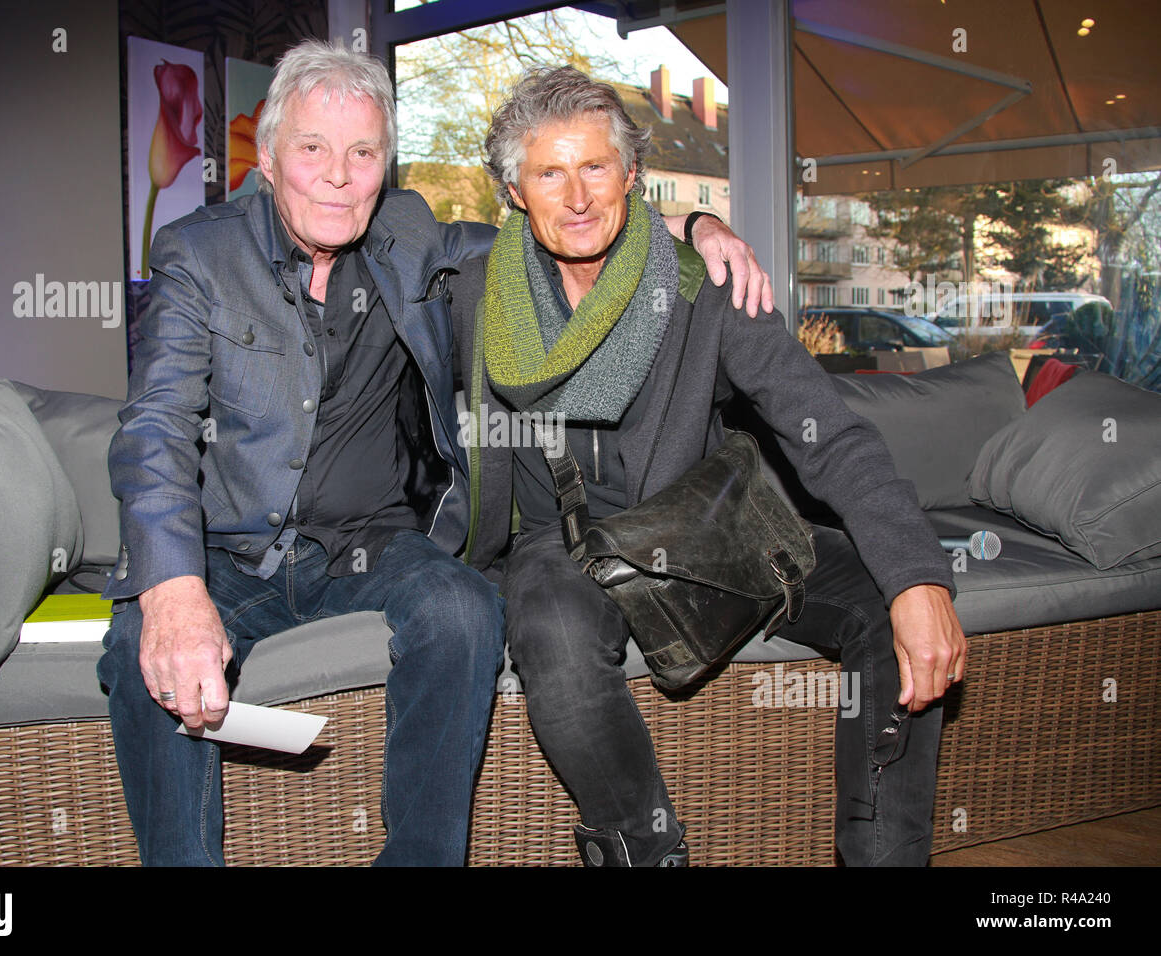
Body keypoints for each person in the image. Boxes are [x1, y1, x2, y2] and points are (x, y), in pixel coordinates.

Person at [97, 40, 771, 867]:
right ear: (269, 157)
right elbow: (154, 427)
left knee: (462, 608)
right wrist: (172, 593)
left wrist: (695, 224)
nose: (339, 176)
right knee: (140, 653)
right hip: (232, 555)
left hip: (377, 547)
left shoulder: (406, 231)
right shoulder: (199, 255)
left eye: (363, 153)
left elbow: (559, 228)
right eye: (312, 148)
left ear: (385, 165)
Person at [451, 66, 968, 866]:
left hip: (701, 521)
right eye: (550, 172)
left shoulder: (707, 285)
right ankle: (646, 852)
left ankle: (884, 855)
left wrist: (917, 578)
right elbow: (355, 217)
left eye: (596, 167)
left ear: (632, 176)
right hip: (562, 538)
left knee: (882, 596)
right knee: (551, 625)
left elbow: (828, 432)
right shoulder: (476, 286)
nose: (578, 196)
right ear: (515, 191)